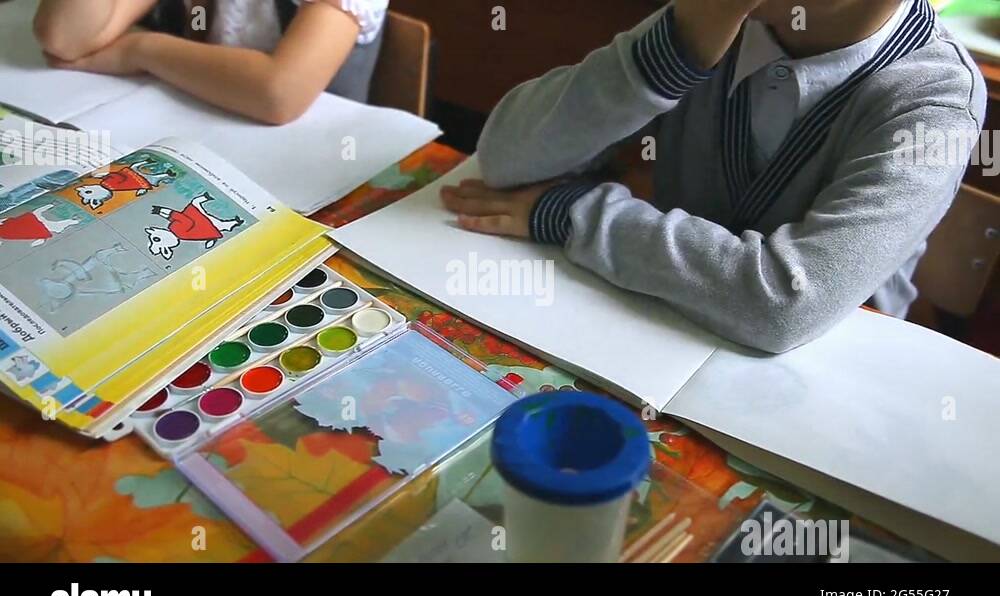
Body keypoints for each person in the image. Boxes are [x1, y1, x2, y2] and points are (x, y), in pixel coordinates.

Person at [441, 0, 987, 353]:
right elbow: (508, 158)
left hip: (817, 386)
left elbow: (785, 302)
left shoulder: (933, 98)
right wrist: (677, 49)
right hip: (666, 330)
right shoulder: (713, 18)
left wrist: (576, 215)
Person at [33, 0, 389, 124]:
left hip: (313, 181)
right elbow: (65, 37)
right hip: (201, 136)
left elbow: (278, 93)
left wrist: (139, 50)